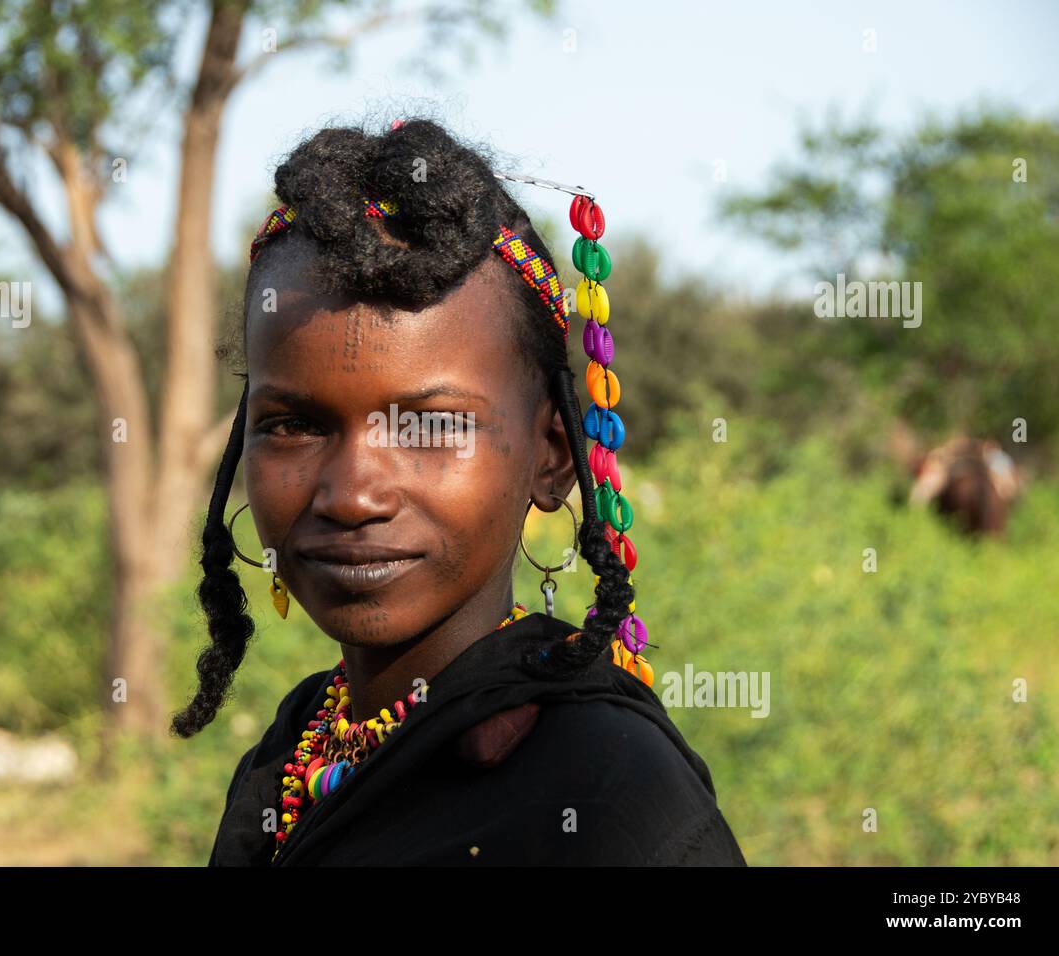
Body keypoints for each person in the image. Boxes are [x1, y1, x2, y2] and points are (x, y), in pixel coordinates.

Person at [171, 118, 746, 866]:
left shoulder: (609, 796)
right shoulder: (296, 746)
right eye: (295, 425)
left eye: (430, 428)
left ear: (550, 457)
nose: (351, 495)